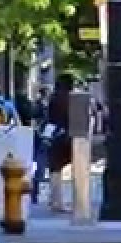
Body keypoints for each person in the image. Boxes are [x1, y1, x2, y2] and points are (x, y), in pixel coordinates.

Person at [43, 74, 75, 212]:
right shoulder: (70, 99)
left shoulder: (53, 98)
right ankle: (59, 202)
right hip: (66, 135)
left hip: (53, 134)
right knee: (64, 168)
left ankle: (54, 199)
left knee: (54, 169)